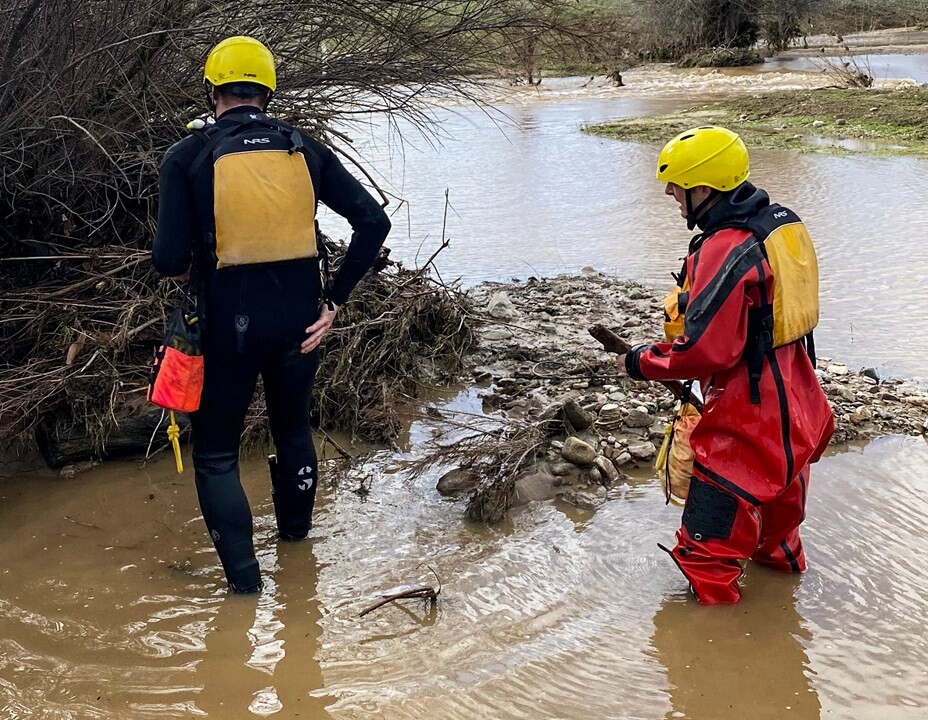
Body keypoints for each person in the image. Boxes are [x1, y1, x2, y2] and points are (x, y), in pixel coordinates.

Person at [152, 36, 391, 593]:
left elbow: (166, 259)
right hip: (300, 328)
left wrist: (194, 267)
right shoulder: (304, 147)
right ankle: (297, 559)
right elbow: (372, 224)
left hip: (225, 331)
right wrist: (333, 302)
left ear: (211, 90)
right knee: (291, 431)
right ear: (267, 90)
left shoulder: (186, 156)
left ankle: (244, 590)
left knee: (215, 455)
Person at [618, 126, 834, 604]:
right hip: (799, 406)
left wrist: (640, 361)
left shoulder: (725, 246)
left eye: (676, 186)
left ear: (705, 187)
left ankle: (714, 662)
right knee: (777, 542)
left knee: (704, 555)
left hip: (746, 422)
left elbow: (706, 353)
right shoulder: (781, 223)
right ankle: (784, 637)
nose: (671, 195)